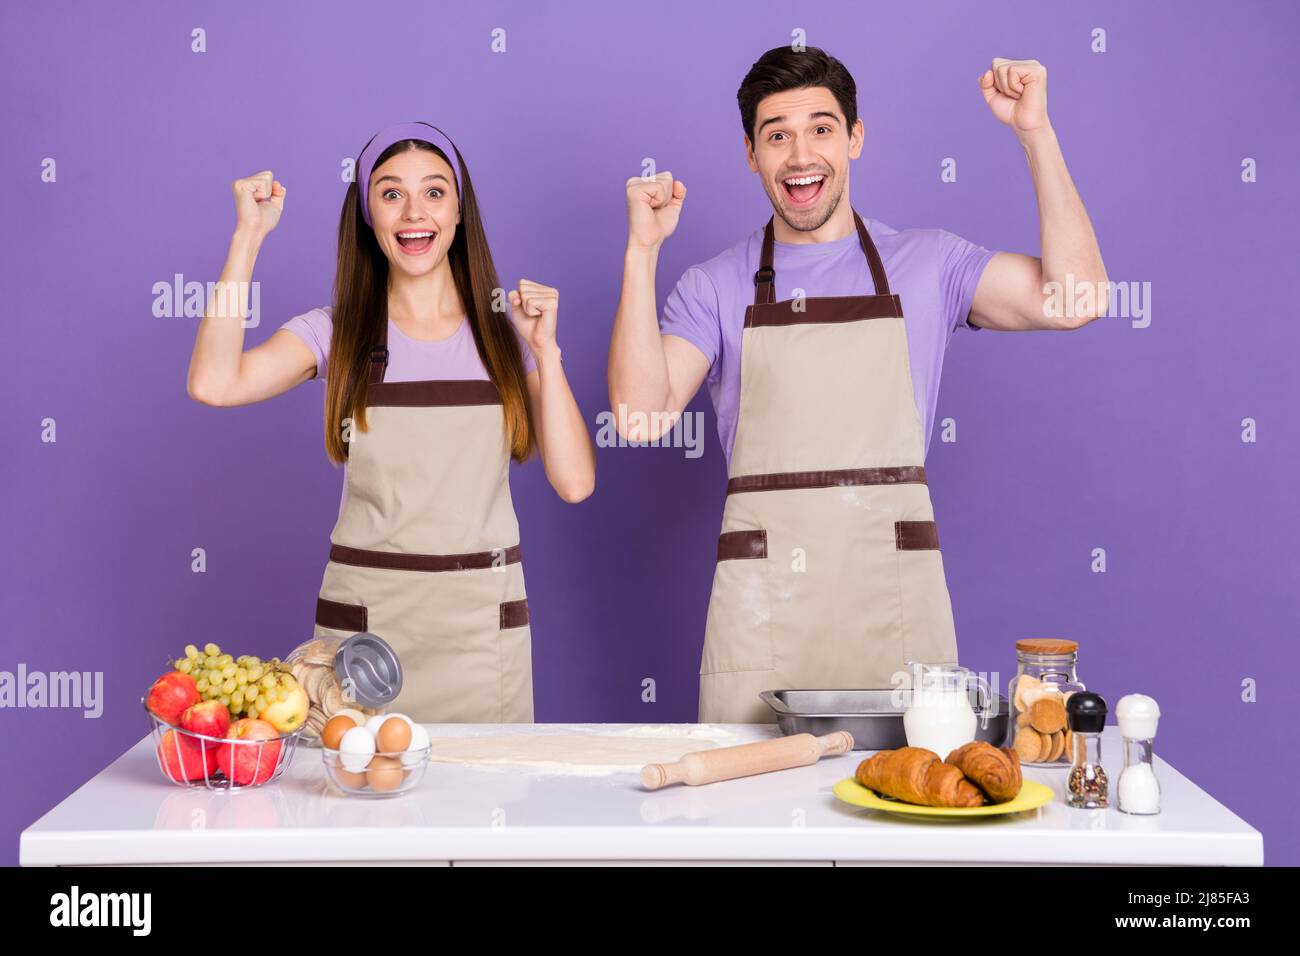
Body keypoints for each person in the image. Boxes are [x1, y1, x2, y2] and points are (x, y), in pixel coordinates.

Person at [607, 49, 1107, 723]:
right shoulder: (713, 286)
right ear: (751, 155)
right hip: (763, 605)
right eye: (776, 134)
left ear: (856, 138)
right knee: (749, 815)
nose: (800, 155)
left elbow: (1076, 299)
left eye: (821, 128)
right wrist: (642, 254)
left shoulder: (930, 263)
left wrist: (1035, 135)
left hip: (894, 599)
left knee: (909, 804)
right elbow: (640, 415)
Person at [187, 122, 595, 723]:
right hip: (365, 636)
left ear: (460, 211)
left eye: (434, 192)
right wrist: (248, 237)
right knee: (359, 801)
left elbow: (575, 481)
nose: (413, 213)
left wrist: (547, 353)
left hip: (481, 635)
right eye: (390, 193)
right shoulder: (337, 332)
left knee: (481, 810)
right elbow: (213, 382)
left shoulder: (509, 330)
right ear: (367, 215)